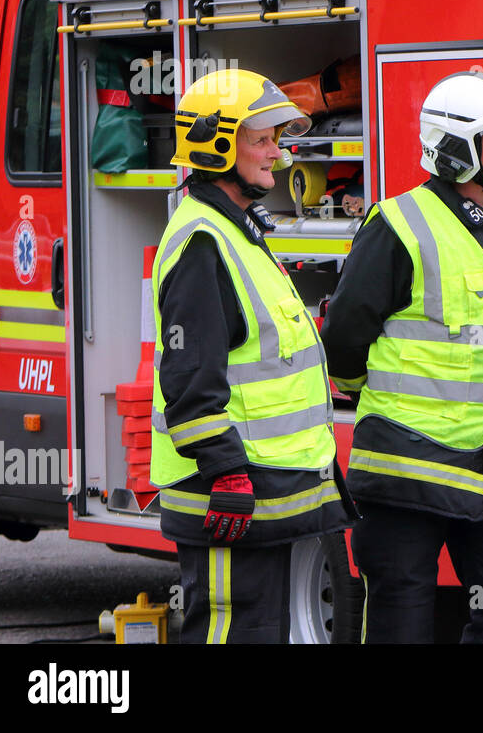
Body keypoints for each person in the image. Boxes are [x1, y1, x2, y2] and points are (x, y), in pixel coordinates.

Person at [321, 71, 483, 644]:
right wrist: (361, 386)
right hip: (408, 468)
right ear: (458, 149)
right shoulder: (398, 225)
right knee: (400, 625)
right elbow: (345, 337)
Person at [151, 68, 352, 643]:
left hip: (263, 493)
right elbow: (191, 379)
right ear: (217, 146)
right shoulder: (202, 242)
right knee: (229, 634)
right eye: (261, 138)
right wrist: (227, 472)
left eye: (277, 137)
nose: (276, 151)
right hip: (226, 495)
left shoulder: (234, 229)